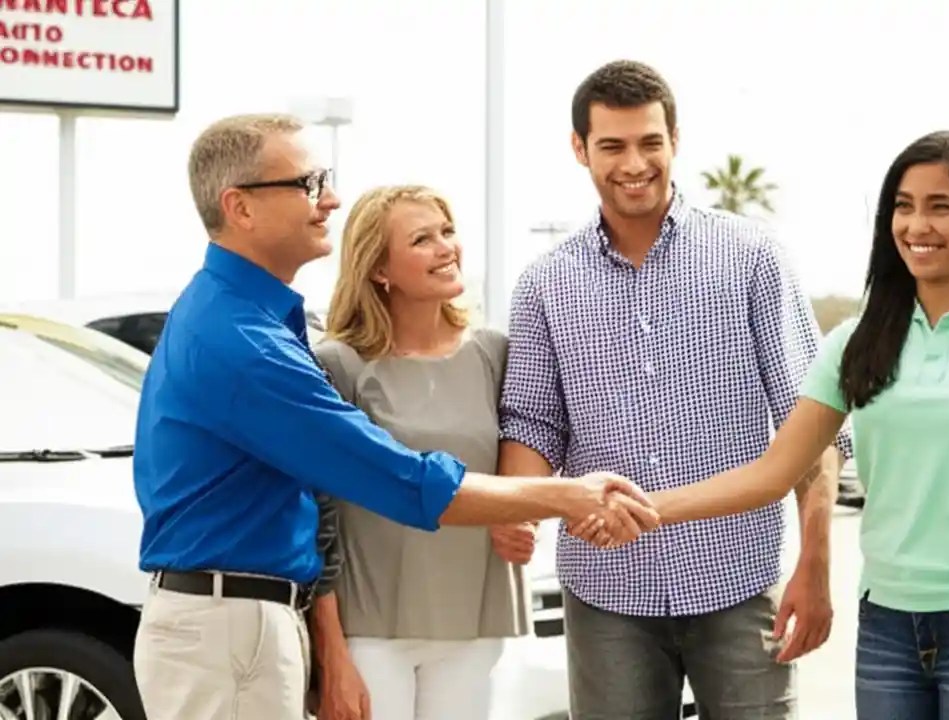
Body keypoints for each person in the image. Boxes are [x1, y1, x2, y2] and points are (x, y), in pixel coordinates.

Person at [131, 113, 657, 720]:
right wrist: (565, 497)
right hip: (232, 628)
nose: (328, 200)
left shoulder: (245, 319)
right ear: (240, 208)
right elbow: (389, 474)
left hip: (245, 621)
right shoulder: (241, 341)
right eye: (306, 184)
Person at [648, 130, 949, 719]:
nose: (917, 226)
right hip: (887, 626)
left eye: (940, 207)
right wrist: (643, 508)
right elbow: (774, 472)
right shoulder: (855, 343)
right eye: (903, 208)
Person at [498, 60, 848, 719]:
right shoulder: (545, 283)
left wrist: (816, 561)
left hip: (737, 579)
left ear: (674, 140)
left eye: (649, 142)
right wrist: (516, 507)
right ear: (580, 149)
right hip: (606, 591)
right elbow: (534, 423)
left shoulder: (751, 255)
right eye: (612, 146)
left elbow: (814, 420)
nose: (634, 163)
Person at [305, 184, 537, 720]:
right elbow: (319, 515)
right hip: (370, 627)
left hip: (473, 620)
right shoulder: (338, 365)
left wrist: (524, 517)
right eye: (422, 239)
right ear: (380, 268)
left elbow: (523, 457)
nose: (445, 247)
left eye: (447, 232)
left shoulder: (494, 354)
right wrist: (331, 652)